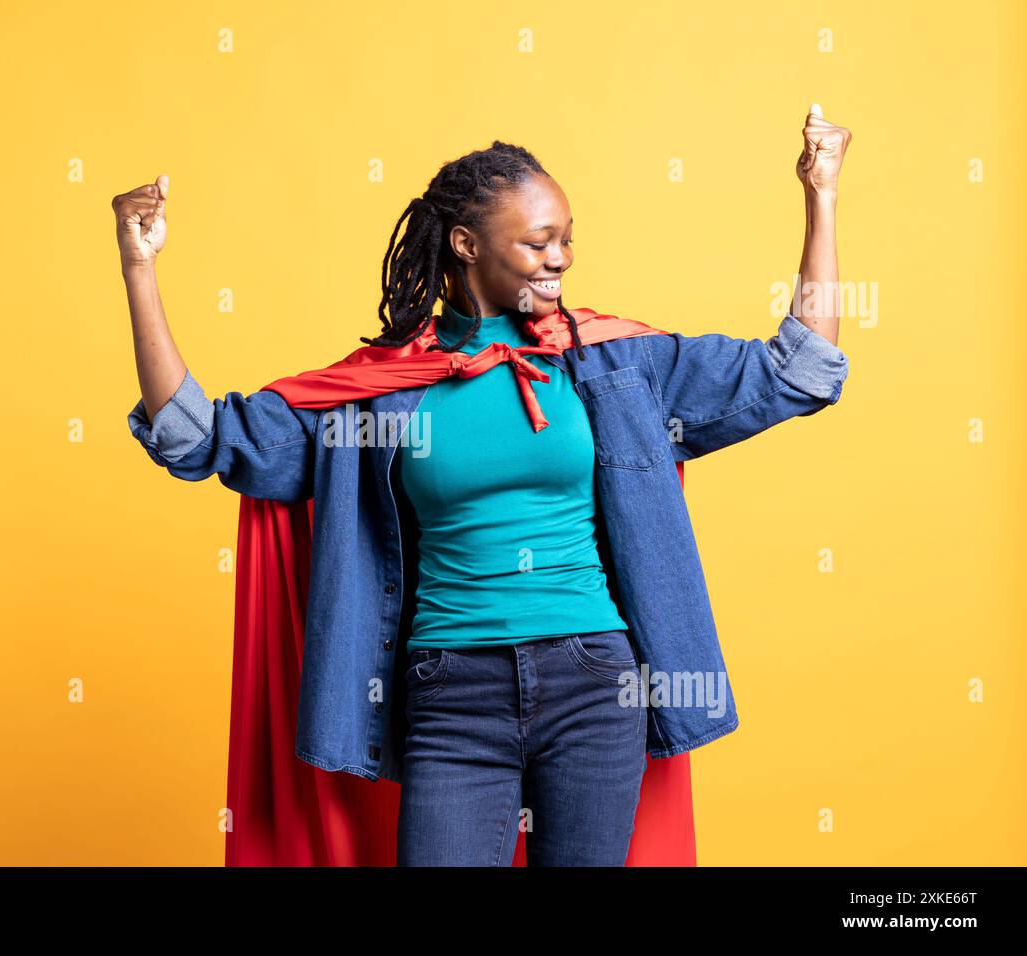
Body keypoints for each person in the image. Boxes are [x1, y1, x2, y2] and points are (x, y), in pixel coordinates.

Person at [116, 106, 852, 865]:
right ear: (466, 246)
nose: (559, 257)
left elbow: (799, 371)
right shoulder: (381, 394)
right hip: (450, 692)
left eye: (566, 238)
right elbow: (201, 438)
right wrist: (140, 269)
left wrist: (820, 195)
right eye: (538, 241)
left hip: (595, 684)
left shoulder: (616, 365)